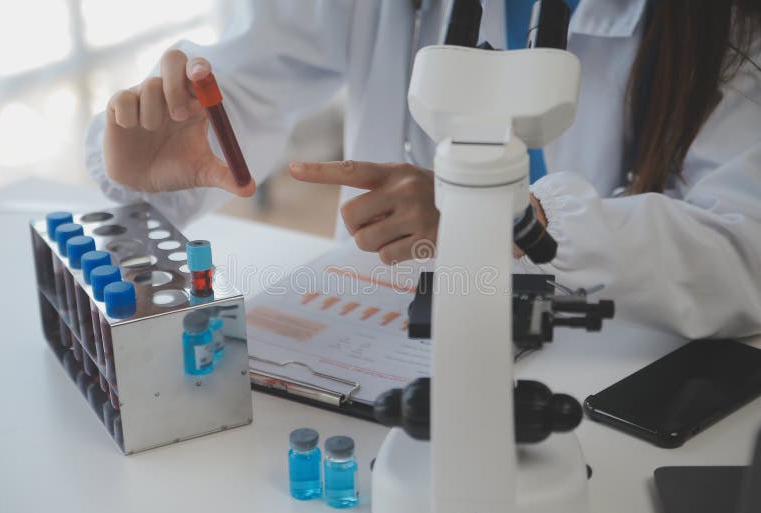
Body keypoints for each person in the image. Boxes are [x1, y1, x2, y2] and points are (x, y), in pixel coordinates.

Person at [85, 0, 761, 338]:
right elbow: (242, 76)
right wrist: (159, 153)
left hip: (611, 380)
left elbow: (743, 243)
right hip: (377, 355)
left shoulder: (726, 26)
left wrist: (504, 220)